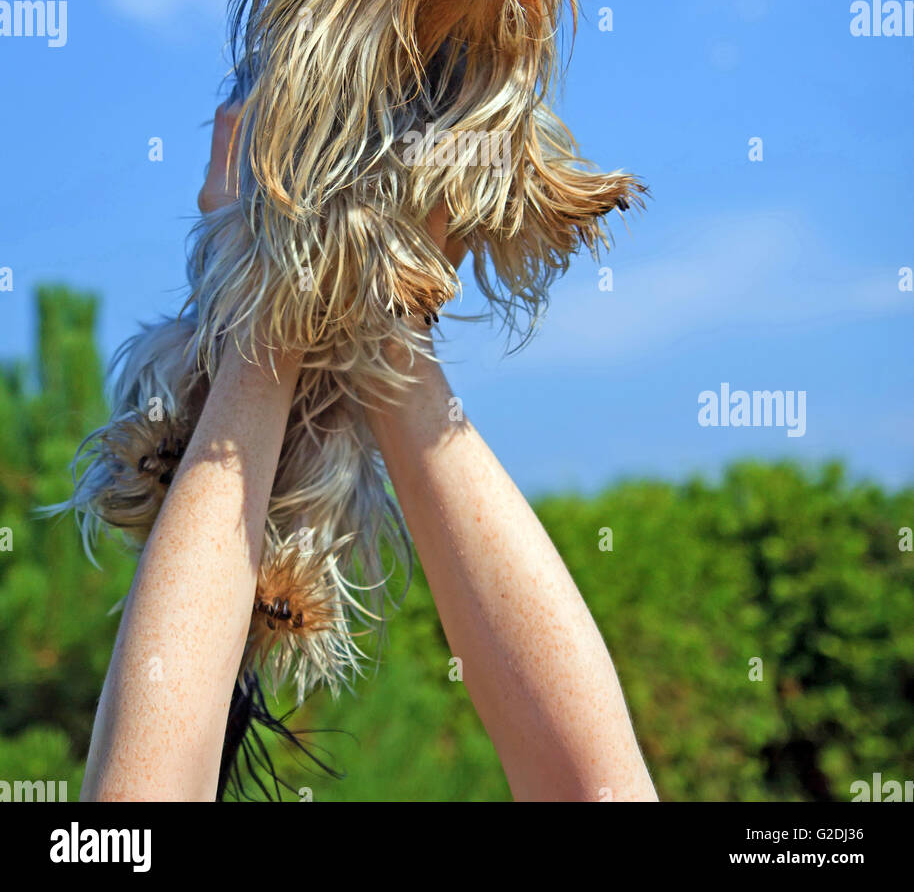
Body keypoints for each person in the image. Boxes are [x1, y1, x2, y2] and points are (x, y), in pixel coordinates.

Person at [81, 105, 657, 803]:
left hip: (287, 384)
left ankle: (227, 511)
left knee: (326, 457)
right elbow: (596, 790)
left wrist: (273, 299)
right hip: (264, 374)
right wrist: (392, 340)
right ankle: (200, 486)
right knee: (199, 389)